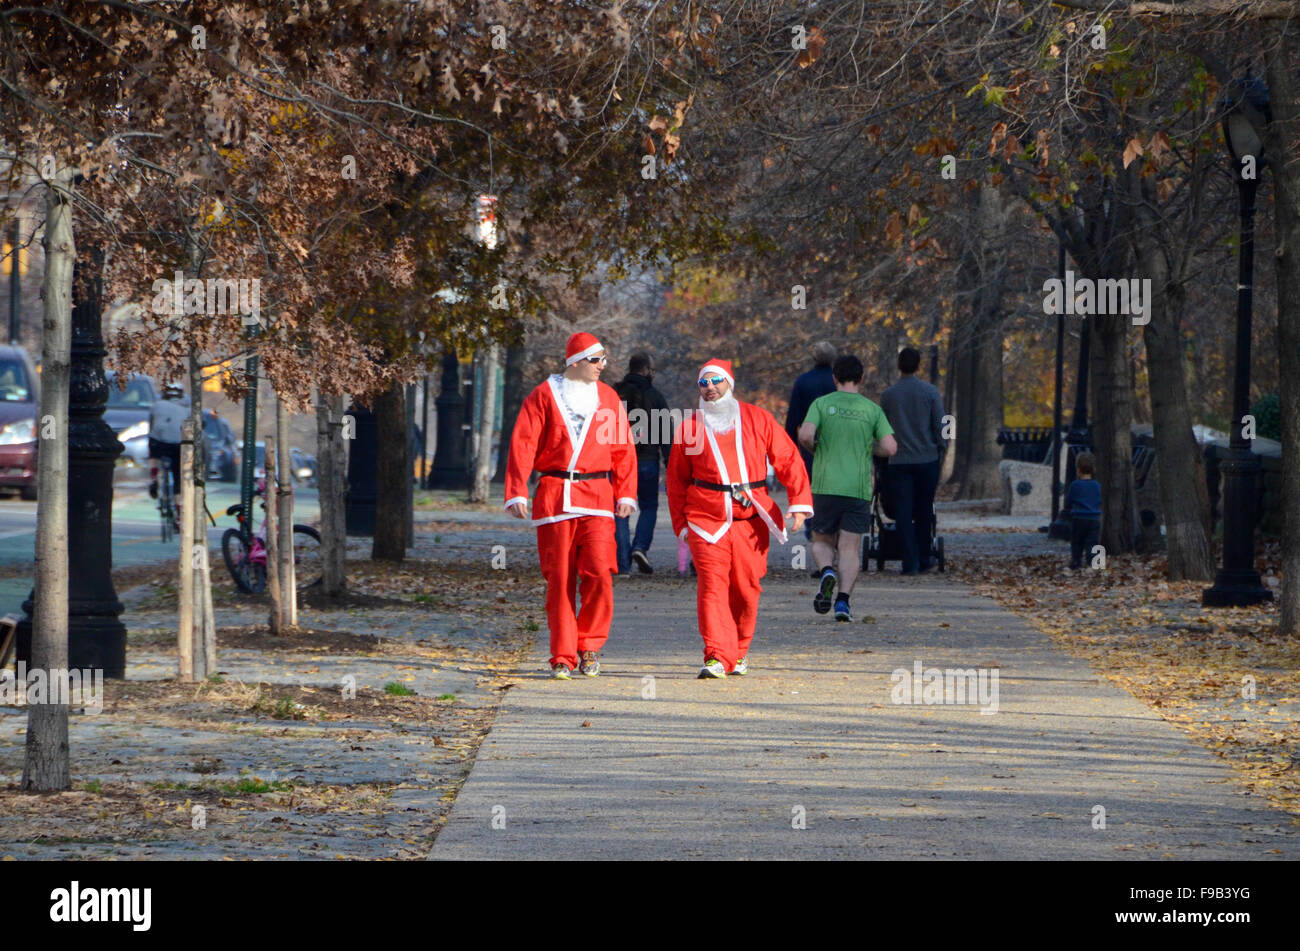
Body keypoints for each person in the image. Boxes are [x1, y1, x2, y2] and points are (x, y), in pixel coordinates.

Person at [504, 332, 638, 679]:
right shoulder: (543, 395)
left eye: (604, 359)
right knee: (559, 579)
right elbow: (523, 442)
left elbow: (623, 447)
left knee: (599, 574)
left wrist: (626, 492)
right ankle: (562, 655)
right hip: (555, 495)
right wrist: (517, 490)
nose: (603, 366)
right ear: (575, 361)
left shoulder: (608, 397)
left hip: (596, 496)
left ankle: (589, 646)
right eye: (596, 360)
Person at [667, 359, 812, 678]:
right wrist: (680, 524)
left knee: (746, 589)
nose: (710, 388)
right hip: (705, 517)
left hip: (751, 518)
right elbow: (677, 479)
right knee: (711, 586)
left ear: (729, 383)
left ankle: (739, 650)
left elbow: (787, 459)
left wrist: (799, 502)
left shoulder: (757, 418)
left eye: (716, 381)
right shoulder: (689, 427)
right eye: (703, 383)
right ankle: (716, 655)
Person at [798, 355, 897, 622]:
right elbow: (890, 448)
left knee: (821, 541)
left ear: (834, 378)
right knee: (850, 548)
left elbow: (805, 434)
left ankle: (827, 571)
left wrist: (815, 449)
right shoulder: (871, 410)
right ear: (861, 378)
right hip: (857, 486)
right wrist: (869, 449)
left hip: (825, 484)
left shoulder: (821, 404)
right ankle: (843, 602)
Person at [880, 346, 948, 575]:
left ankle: (909, 562)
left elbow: (884, 428)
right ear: (919, 365)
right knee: (924, 509)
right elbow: (940, 423)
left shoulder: (889, 395)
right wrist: (941, 445)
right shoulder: (930, 392)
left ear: (899, 366)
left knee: (903, 510)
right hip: (926, 458)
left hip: (899, 460)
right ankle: (924, 555)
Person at [613, 351, 673, 574]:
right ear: (646, 370)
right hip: (647, 461)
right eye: (652, 370)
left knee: (620, 508)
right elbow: (665, 433)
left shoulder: (614, 394)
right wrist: (669, 463)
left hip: (617, 463)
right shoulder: (655, 396)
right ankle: (639, 546)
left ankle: (622, 562)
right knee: (648, 506)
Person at [147, 382, 190, 499]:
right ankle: (178, 508)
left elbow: (151, 426)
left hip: (159, 443)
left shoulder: (156, 405)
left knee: (153, 454)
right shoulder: (187, 409)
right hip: (178, 444)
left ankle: (154, 478)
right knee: (178, 476)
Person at [1063, 452, 1102, 570]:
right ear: (1094, 469)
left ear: (1078, 469)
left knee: (1077, 542)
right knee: (1092, 542)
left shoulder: (1075, 485)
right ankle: (1094, 563)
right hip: (1094, 518)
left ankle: (1076, 561)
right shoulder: (1097, 485)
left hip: (1078, 517)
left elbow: (1068, 502)